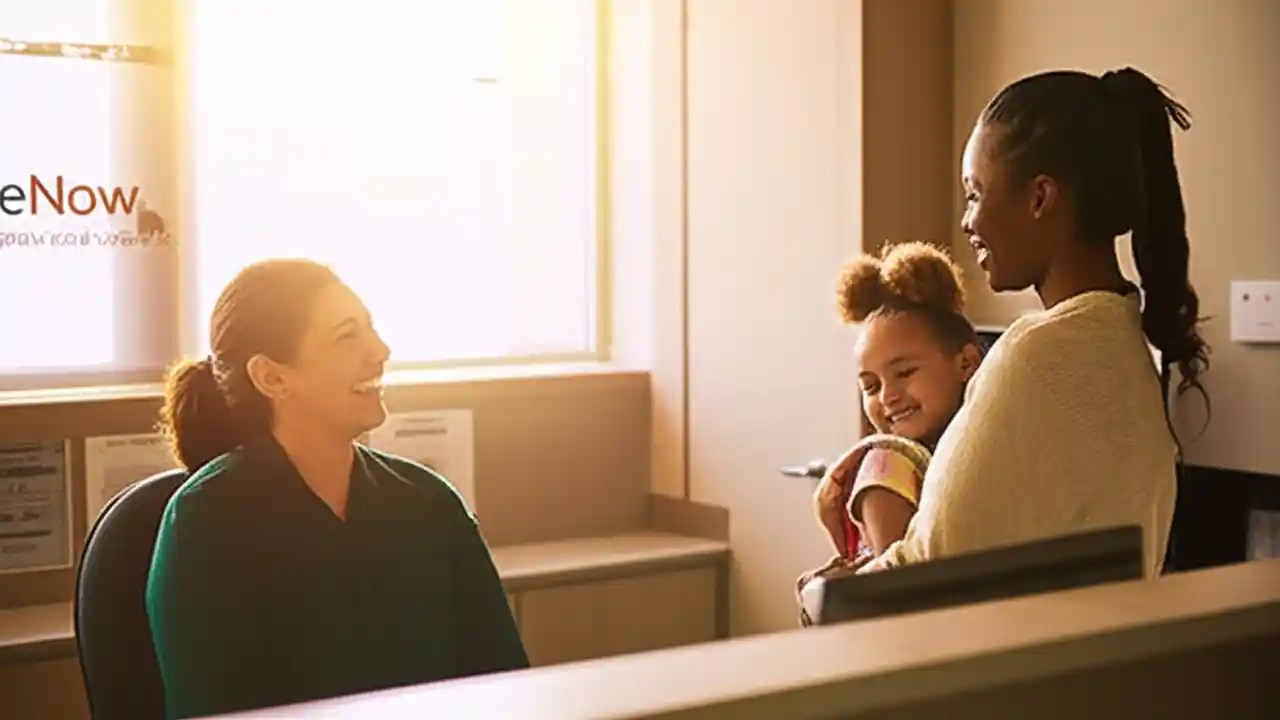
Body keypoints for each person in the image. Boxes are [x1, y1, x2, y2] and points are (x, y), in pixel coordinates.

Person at [819, 67, 1209, 578]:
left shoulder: (1035, 357)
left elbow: (923, 571)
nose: (967, 221)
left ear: (1039, 198)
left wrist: (824, 590)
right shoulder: (1125, 350)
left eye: (975, 194)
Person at [146, 259, 528, 719]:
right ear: (272, 377)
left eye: (371, 328)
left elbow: (506, 689)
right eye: (348, 336)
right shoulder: (207, 522)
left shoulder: (430, 503)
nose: (380, 350)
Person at [797, 242, 981, 624]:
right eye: (870, 385)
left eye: (904, 373)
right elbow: (896, 597)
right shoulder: (888, 465)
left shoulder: (975, 438)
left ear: (966, 362)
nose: (887, 397)